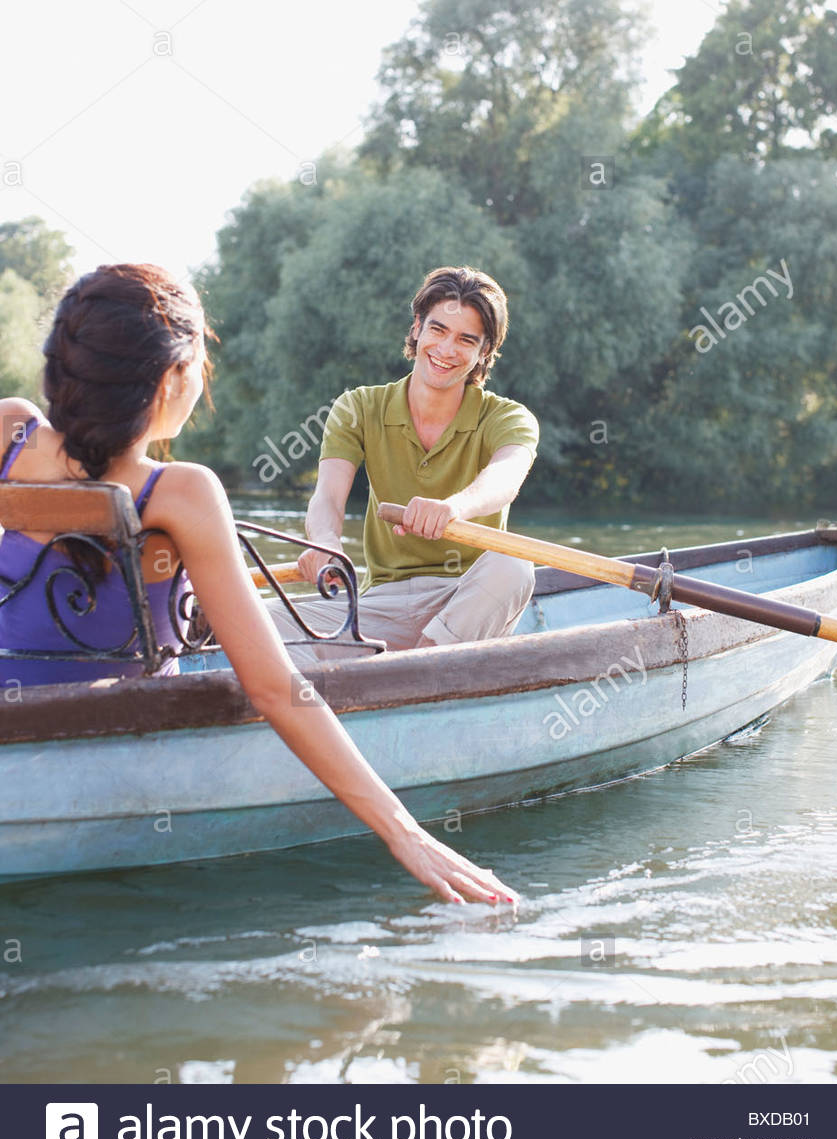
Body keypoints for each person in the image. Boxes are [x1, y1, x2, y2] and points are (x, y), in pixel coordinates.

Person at [0, 263, 515, 906]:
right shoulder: (181, 490)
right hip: (104, 726)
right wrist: (404, 830)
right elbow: (275, 690)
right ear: (172, 377)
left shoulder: (10, 430)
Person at [276, 265, 538, 655]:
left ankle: (421, 671)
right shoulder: (358, 407)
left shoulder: (507, 417)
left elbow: (506, 477)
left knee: (515, 565)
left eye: (466, 340)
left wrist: (453, 508)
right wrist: (326, 545)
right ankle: (395, 674)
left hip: (467, 601)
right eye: (438, 330)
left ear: (484, 351)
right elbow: (328, 496)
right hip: (383, 602)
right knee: (258, 622)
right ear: (417, 327)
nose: (447, 350)